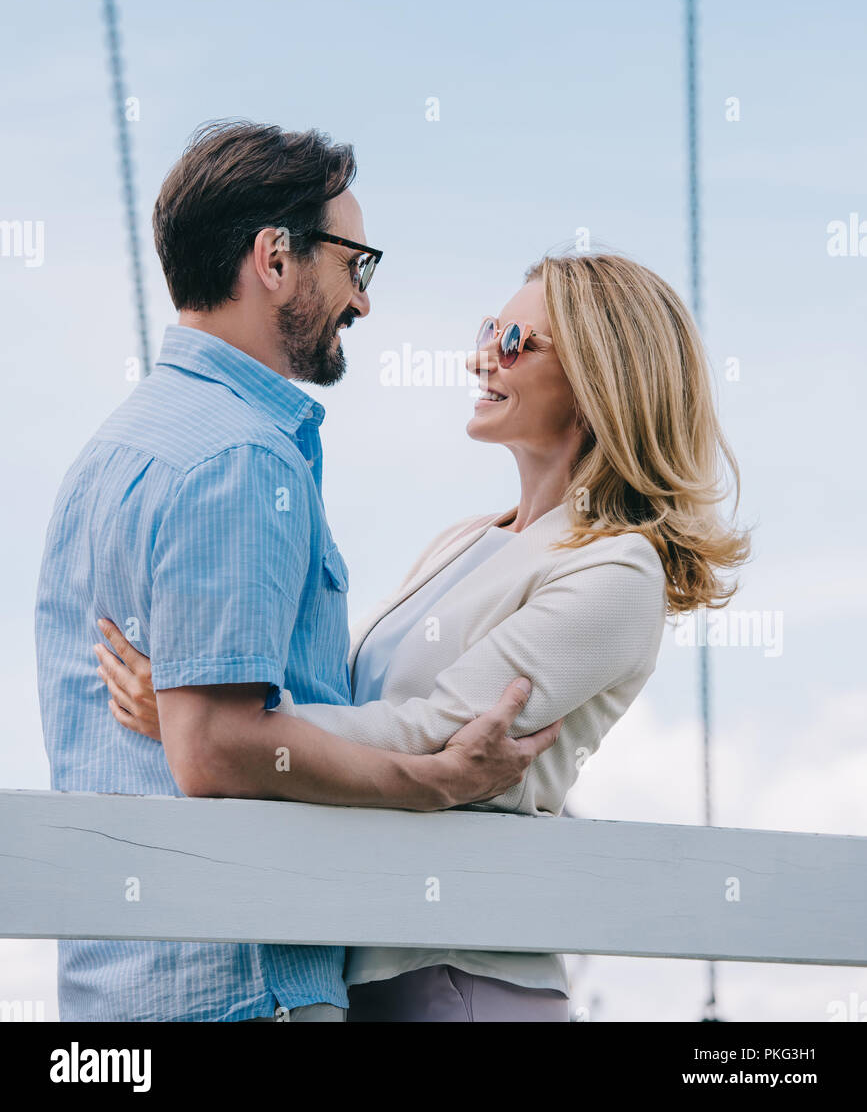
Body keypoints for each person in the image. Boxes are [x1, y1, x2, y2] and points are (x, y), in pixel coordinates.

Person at [97, 249, 751, 1022]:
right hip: (369, 963)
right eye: (489, 330)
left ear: (598, 380)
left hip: (461, 976)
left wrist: (209, 721)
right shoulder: (463, 539)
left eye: (514, 342)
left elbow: (436, 732)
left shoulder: (616, 570)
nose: (481, 356)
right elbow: (348, 699)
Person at [34, 119, 560, 1024]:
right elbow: (218, 746)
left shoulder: (108, 453)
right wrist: (433, 782)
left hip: (120, 992)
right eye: (357, 265)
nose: (364, 303)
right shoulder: (243, 457)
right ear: (275, 259)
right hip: (247, 988)